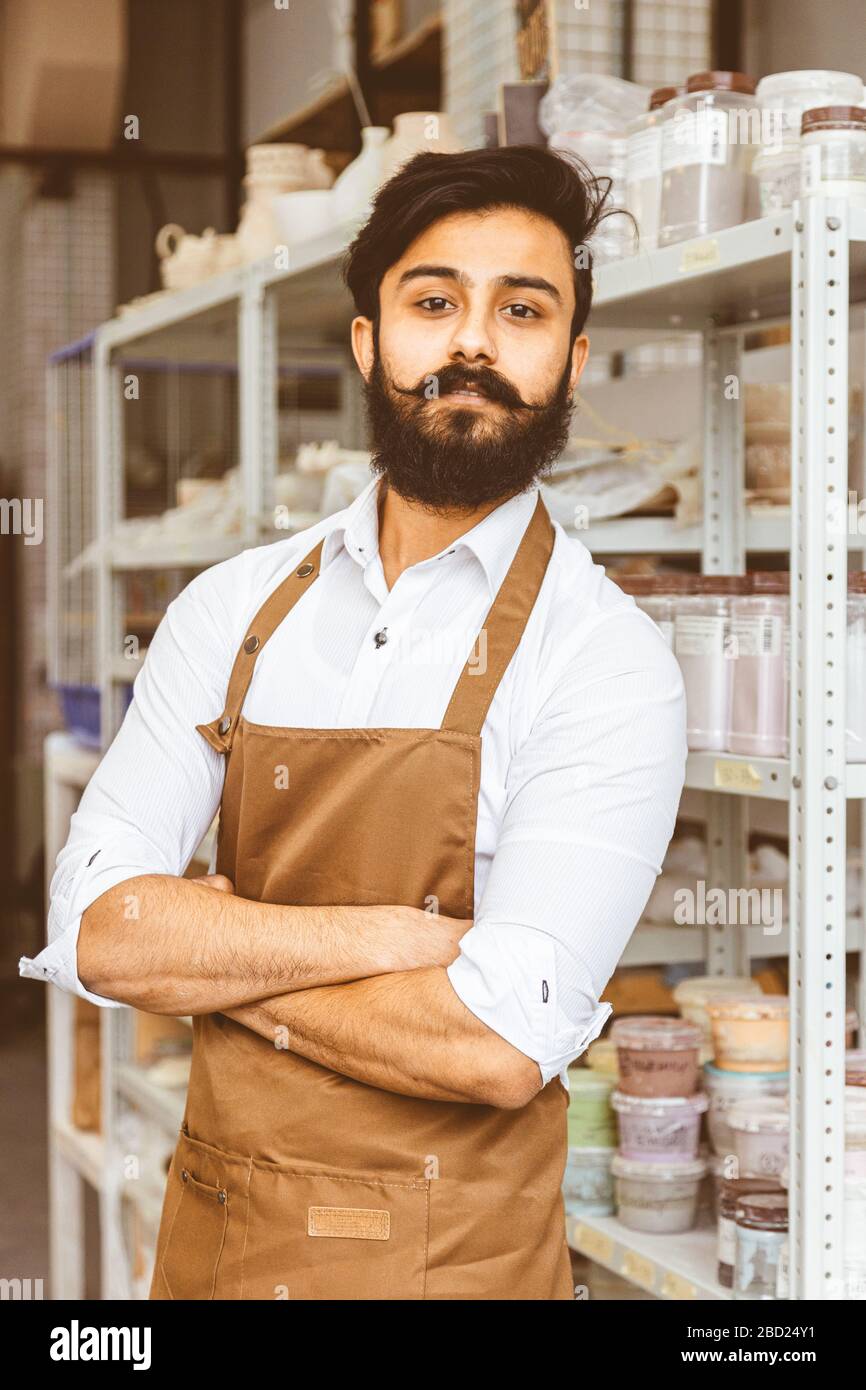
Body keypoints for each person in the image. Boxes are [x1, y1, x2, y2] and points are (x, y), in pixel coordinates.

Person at [21, 146, 687, 1300]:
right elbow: (97, 931)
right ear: (368, 341)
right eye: (433, 303)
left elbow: (495, 1043)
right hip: (217, 1253)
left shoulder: (604, 656)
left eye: (520, 311)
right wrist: (398, 939)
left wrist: (217, 954)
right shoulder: (228, 610)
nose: (471, 345)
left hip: (452, 1270)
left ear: (571, 361)